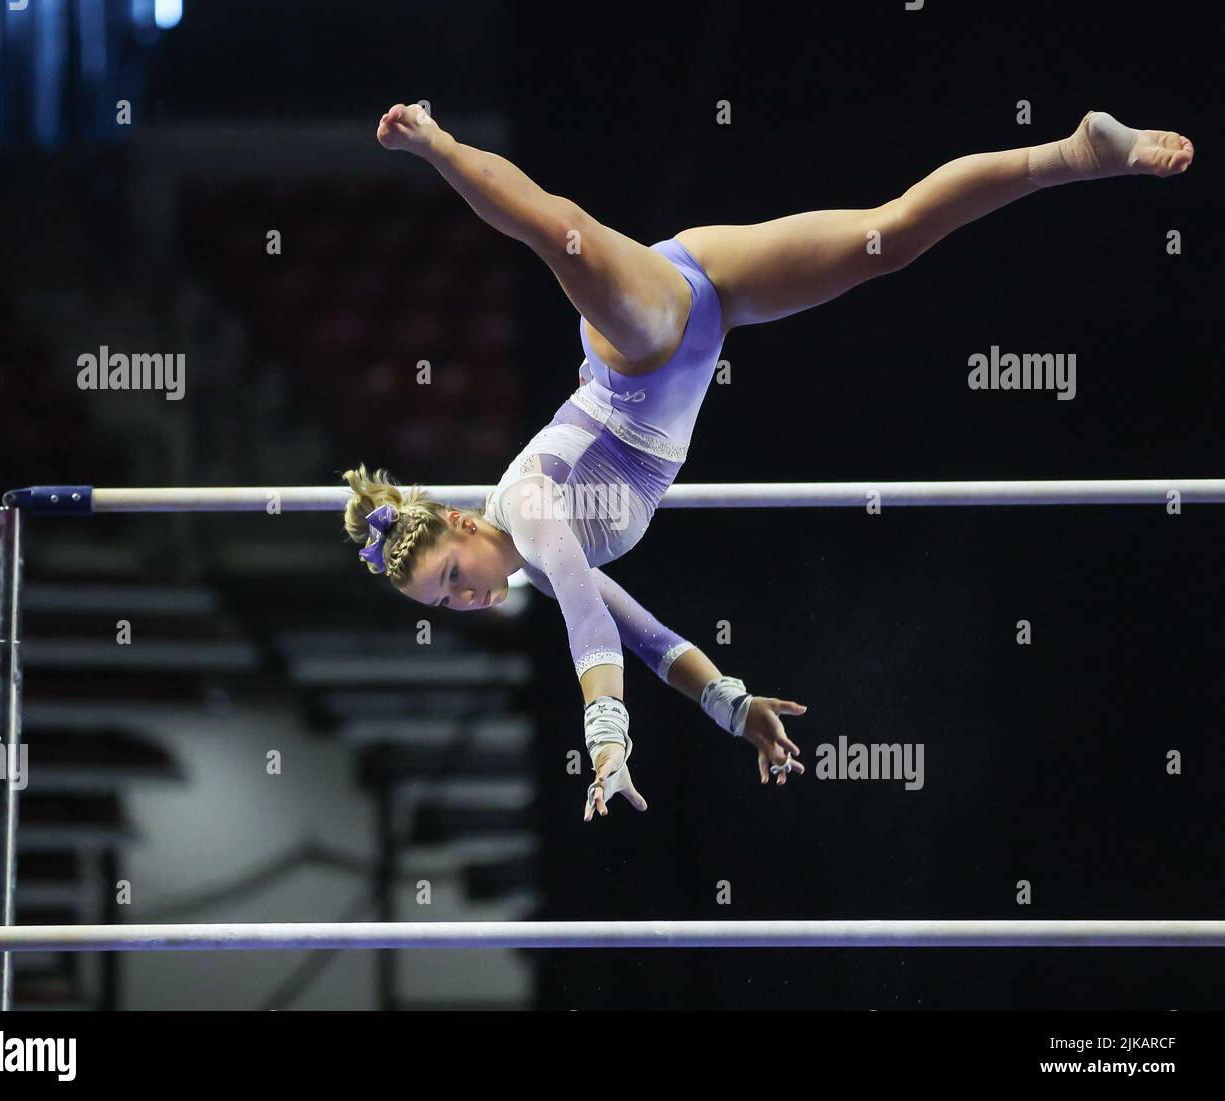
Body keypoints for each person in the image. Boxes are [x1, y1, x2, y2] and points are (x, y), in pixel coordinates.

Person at [345, 103, 1193, 822]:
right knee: (887, 238)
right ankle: (1075, 152)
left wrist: (607, 741)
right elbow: (640, 633)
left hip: (643, 353)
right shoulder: (524, 558)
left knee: (557, 232)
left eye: (452, 575)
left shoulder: (528, 509)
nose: (467, 598)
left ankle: (435, 141)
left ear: (461, 523)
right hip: (708, 295)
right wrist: (731, 703)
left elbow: (587, 618)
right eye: (446, 601)